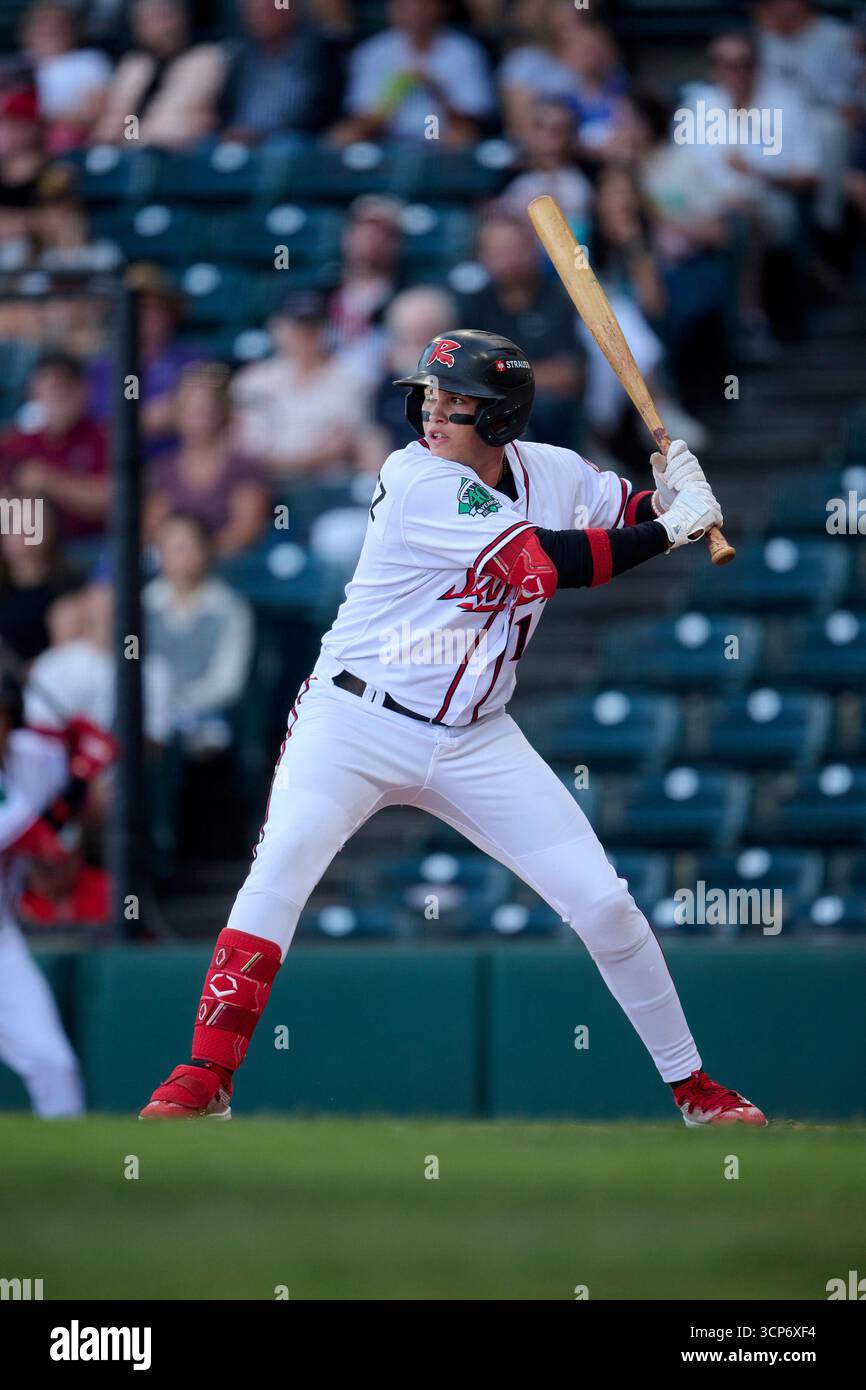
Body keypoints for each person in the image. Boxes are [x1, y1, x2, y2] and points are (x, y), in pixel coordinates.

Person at [140, 327, 766, 1129]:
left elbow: (621, 511)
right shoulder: (414, 478)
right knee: (280, 869)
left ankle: (696, 1091)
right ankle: (206, 1074)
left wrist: (672, 492)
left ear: (501, 418)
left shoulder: (555, 471)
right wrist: (674, 528)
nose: (432, 413)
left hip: (475, 734)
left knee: (605, 905)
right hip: (355, 717)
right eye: (428, 396)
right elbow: (547, 564)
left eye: (455, 401)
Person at [0, 670, 85, 1117]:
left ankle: (72, 1184)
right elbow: (39, 841)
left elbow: (59, 865)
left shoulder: (28, 755)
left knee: (54, 1064)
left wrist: (83, 752)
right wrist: (81, 776)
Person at [455, 209, 583, 445]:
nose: (508, 259)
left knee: (546, 408)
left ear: (533, 250)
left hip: (545, 417)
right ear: (481, 256)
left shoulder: (559, 300)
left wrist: (497, 377)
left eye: (514, 249)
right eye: (498, 251)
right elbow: (461, 374)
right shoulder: (472, 305)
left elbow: (569, 376)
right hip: (488, 412)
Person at [144, 512, 255, 750]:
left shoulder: (229, 609)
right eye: (173, 548)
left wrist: (178, 703)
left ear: (206, 551)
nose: (182, 556)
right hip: (147, 712)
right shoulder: (143, 606)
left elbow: (227, 683)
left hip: (205, 719)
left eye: (188, 546)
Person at [230, 290, 369, 480]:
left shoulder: (350, 378)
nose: (305, 333)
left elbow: (343, 444)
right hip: (260, 483)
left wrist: (290, 463)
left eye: (313, 325)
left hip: (324, 485)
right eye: (296, 326)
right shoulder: (252, 380)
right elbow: (241, 443)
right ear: (276, 329)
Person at [144, 363, 269, 557]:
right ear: (177, 415)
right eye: (189, 411)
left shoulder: (244, 467)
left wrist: (198, 555)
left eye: (205, 410)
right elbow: (153, 527)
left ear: (222, 413)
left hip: (228, 564)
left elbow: (246, 529)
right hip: (174, 566)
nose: (197, 420)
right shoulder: (164, 468)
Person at [333, 0, 494, 147]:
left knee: (461, 136)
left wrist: (435, 89)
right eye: (405, 6)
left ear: (441, 9)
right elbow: (363, 114)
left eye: (422, 6)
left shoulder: (465, 51)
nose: (415, 13)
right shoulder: (372, 50)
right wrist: (395, 91)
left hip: (438, 130)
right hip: (385, 130)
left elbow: (471, 115)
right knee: (343, 136)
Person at [0, 351, 110, 540]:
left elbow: (114, 500)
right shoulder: (15, 444)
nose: (56, 400)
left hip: (92, 545)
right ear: (34, 395)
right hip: (29, 551)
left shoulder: (103, 437)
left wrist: (50, 481)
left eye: (64, 390)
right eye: (48, 391)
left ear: (83, 391)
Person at [90, 0, 224, 151]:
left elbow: (179, 118)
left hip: (180, 154)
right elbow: (126, 116)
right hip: (134, 154)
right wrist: (125, 140)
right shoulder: (135, 65)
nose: (158, 28)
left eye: (163, 18)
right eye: (146, 21)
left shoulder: (206, 58)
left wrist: (137, 142)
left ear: (182, 19)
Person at [217, 0, 333, 145]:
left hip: (296, 139)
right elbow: (225, 109)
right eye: (256, 12)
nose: (263, 18)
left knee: (285, 146)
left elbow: (318, 111)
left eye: (271, 10)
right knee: (204, 146)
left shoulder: (319, 52)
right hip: (238, 137)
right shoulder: (240, 55)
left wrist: (259, 134)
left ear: (291, 11)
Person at [19, 0, 111, 153]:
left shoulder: (89, 62)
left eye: (58, 25)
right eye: (43, 25)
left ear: (72, 30)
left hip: (64, 139)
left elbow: (97, 112)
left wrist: (38, 116)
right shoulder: (15, 64)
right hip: (15, 136)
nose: (50, 30)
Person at [0, 496, 82, 661]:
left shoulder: (69, 586)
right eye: (12, 524)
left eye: (31, 524)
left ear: (51, 530)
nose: (20, 532)